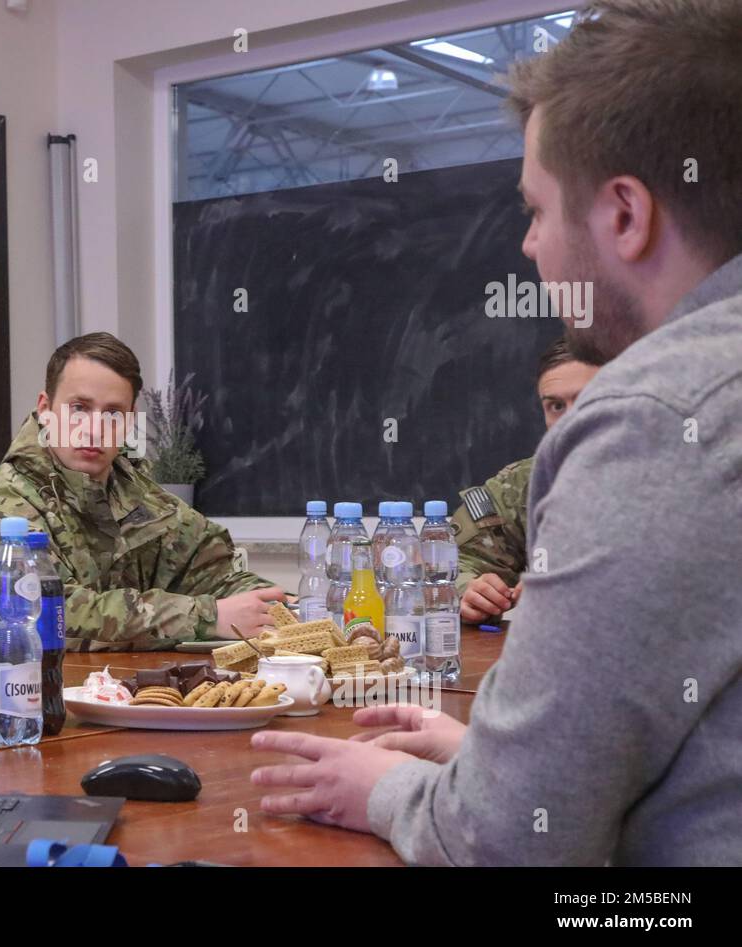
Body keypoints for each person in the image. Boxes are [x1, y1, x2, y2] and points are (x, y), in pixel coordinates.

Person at [250, 0, 742, 864]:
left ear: (625, 215)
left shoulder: (654, 422)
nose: (527, 247)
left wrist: (393, 792)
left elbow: (508, 842)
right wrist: (486, 764)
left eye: (537, 210)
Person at [0, 332, 285, 651]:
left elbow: (210, 571)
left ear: (130, 421)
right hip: (27, 691)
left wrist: (278, 605)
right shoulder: (3, 501)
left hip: (127, 691)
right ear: (45, 408)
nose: (95, 428)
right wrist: (206, 617)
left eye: (113, 413)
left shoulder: (132, 489)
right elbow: (55, 611)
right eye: (79, 408)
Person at [454, 337, 599, 622]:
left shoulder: (676, 476)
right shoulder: (521, 485)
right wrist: (468, 591)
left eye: (588, 400)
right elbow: (453, 563)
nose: (570, 421)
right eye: (557, 406)